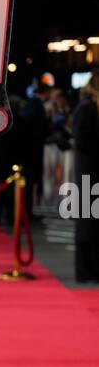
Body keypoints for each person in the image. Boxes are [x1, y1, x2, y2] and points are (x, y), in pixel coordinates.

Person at [72, 70, 99, 283]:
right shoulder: (86, 108)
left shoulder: (90, 108)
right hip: (87, 173)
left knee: (93, 223)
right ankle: (84, 270)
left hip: (91, 171)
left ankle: (91, 269)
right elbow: (80, 141)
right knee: (87, 223)